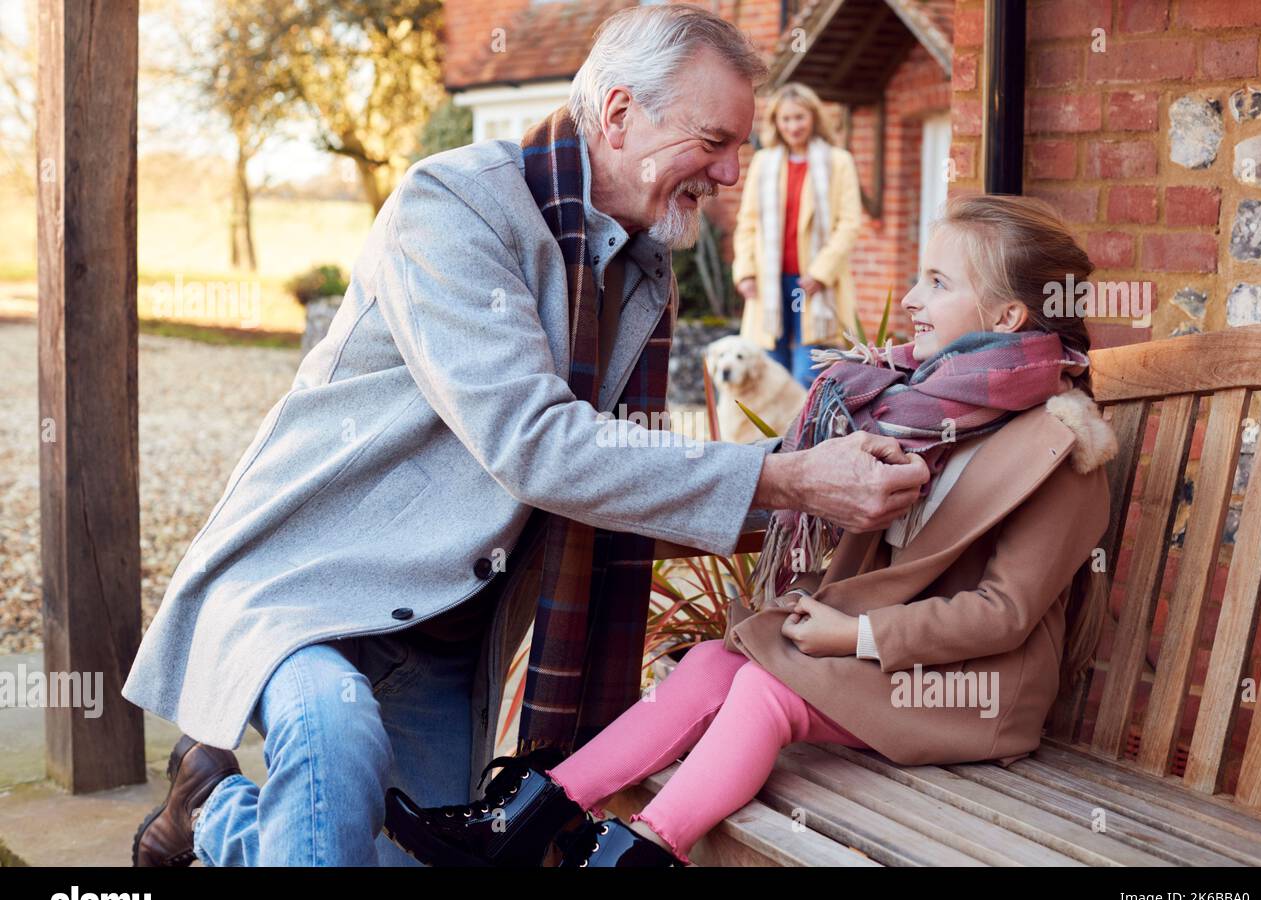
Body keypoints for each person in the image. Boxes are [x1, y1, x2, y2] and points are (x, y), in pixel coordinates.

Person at [125, 4, 932, 868]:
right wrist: (790, 479)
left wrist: (821, 506)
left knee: (411, 856)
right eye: (716, 140)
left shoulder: (632, 266)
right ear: (621, 115)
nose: (733, 172)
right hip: (310, 585)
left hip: (437, 623)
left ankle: (213, 811)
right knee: (339, 746)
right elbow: (538, 446)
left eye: (742, 148)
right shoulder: (454, 207)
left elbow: (617, 488)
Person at [386, 193, 1119, 866]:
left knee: (764, 694)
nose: (911, 298)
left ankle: (640, 854)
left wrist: (855, 636)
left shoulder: (1060, 448)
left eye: (937, 282)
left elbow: (1005, 614)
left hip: (972, 693)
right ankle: (522, 822)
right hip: (889, 666)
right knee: (711, 665)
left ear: (1008, 320)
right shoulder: (921, 408)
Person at [731, 83, 863, 389]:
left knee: (808, 373)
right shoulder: (764, 163)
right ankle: (774, 438)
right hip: (769, 281)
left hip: (813, 286)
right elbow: (748, 222)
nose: (793, 126)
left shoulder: (838, 161)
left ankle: (808, 435)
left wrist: (822, 272)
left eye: (799, 117)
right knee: (769, 372)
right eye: (785, 119)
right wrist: (746, 272)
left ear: (813, 117)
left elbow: (849, 223)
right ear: (776, 122)